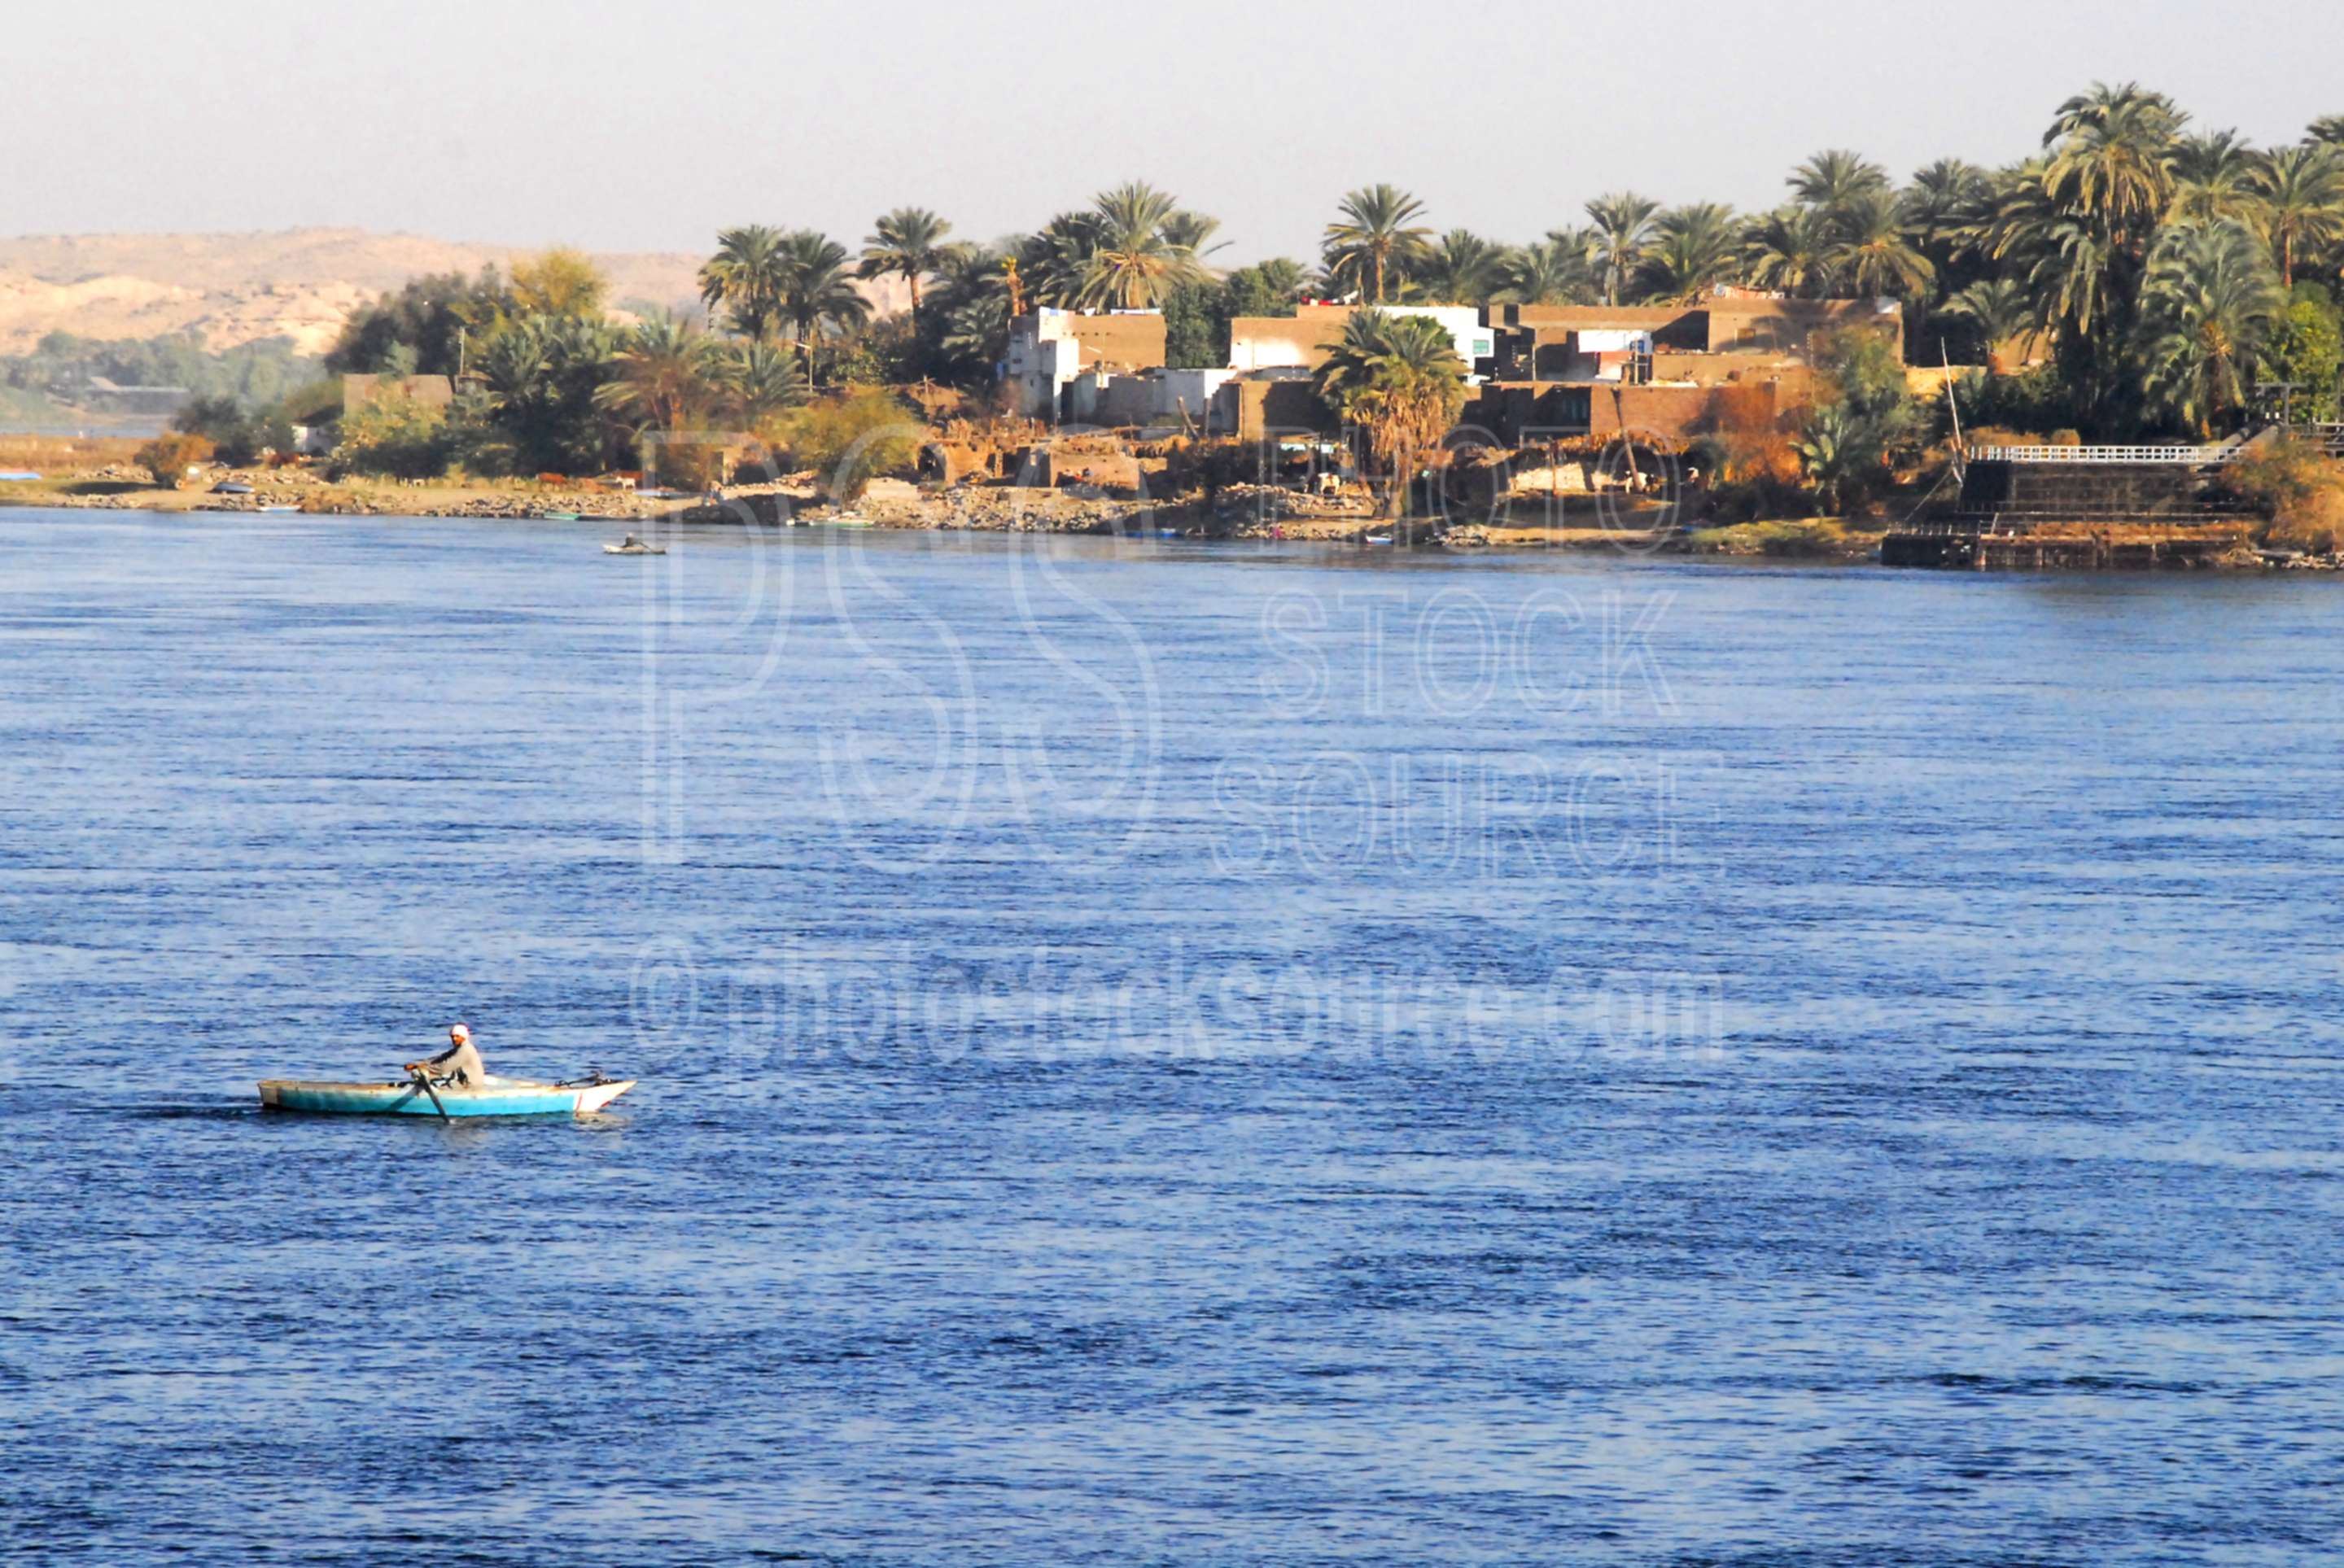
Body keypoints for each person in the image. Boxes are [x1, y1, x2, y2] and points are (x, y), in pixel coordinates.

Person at [405, 1023, 486, 1087]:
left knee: (436, 1084)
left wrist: (420, 1068)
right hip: (463, 1082)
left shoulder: (465, 1050)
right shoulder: (460, 1048)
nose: (454, 1039)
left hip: (470, 1085)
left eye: (457, 1036)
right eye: (452, 1037)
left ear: (464, 1036)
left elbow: (444, 1067)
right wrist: (419, 1064)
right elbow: (442, 1058)